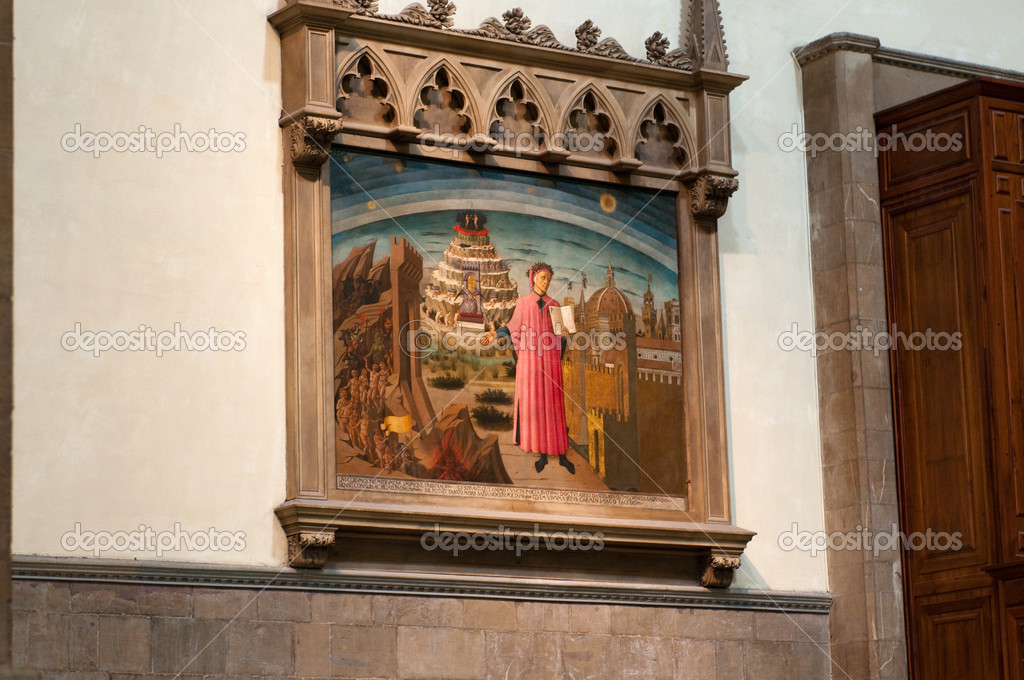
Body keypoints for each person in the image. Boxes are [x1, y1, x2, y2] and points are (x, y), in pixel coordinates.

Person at [482, 262, 574, 474]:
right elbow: (512, 327)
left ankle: (561, 455)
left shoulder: (555, 304)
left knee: (553, 407)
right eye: (543, 278)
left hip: (550, 363)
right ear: (533, 278)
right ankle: (542, 455)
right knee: (536, 407)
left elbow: (561, 336)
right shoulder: (523, 303)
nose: (546, 283)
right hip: (531, 363)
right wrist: (493, 334)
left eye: (549, 280)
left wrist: (566, 334)